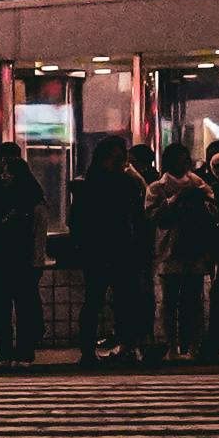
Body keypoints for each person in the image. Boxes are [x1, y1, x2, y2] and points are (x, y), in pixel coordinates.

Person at [73, 136, 153, 365]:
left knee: (124, 301)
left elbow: (139, 215)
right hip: (101, 251)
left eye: (123, 159)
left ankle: (127, 345)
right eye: (117, 159)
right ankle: (89, 350)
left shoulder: (125, 183)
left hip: (120, 251)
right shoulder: (92, 185)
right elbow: (79, 221)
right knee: (95, 302)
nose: (121, 164)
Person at [150, 139, 219, 365]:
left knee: (188, 301)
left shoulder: (196, 184)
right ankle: (176, 345)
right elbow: (153, 217)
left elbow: (213, 211)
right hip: (172, 250)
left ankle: (190, 345)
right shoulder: (159, 188)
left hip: (190, 249)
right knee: (176, 302)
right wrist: (177, 200)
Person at [0, 145, 45, 368]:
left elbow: (39, 234)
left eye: (8, 172)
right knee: (5, 307)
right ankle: (9, 351)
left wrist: (37, 261)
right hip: (8, 259)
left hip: (14, 259)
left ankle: (18, 352)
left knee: (16, 306)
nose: (4, 176)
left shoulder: (30, 201)